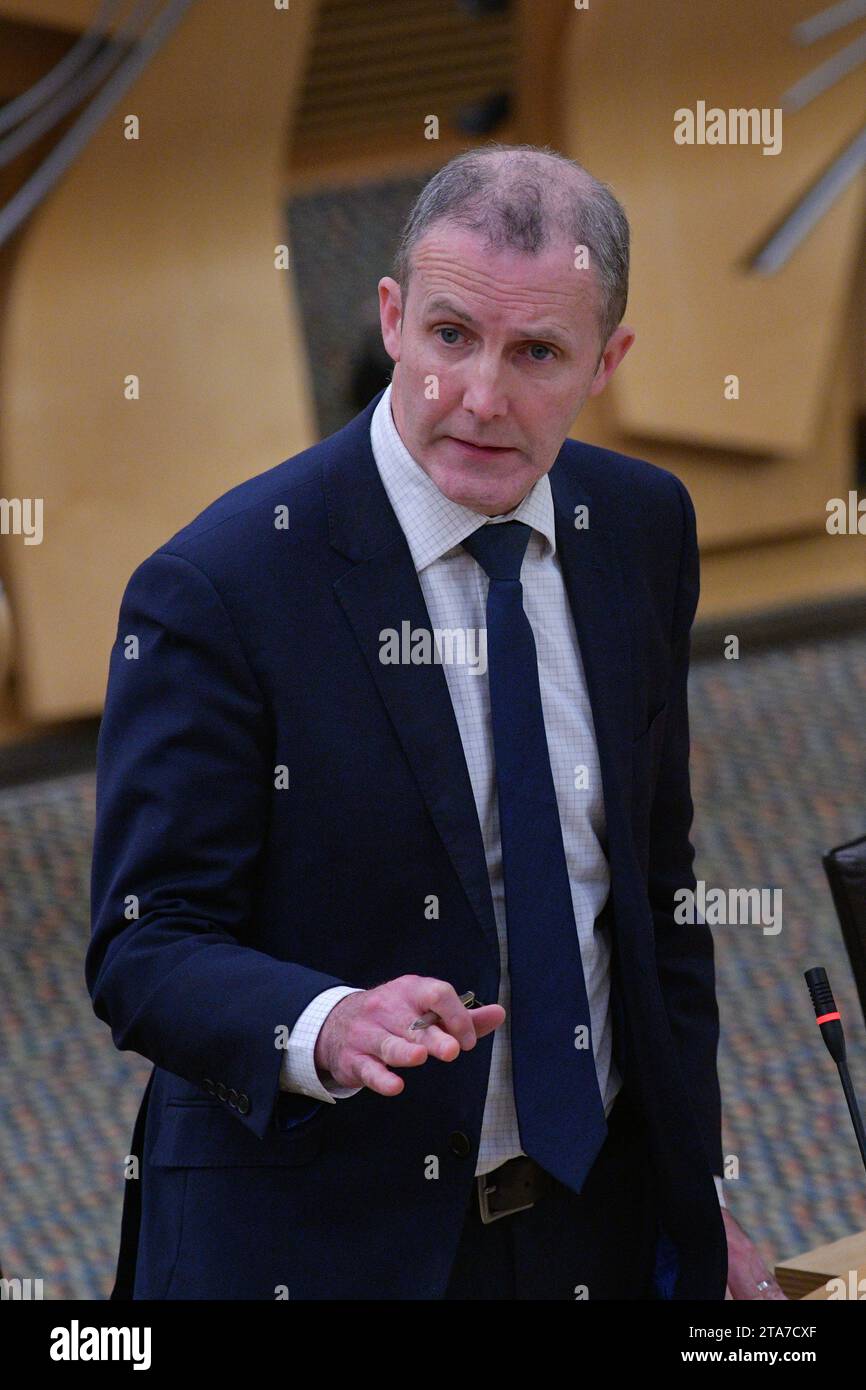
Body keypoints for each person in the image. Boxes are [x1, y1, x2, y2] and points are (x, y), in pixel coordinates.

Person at [87, 142, 785, 1301]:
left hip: (590, 1228)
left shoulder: (639, 527)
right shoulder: (222, 588)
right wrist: (324, 1022)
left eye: (536, 353)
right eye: (450, 336)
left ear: (606, 361)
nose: (478, 397)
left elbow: (653, 897)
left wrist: (694, 1207)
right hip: (327, 1247)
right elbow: (143, 944)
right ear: (392, 319)